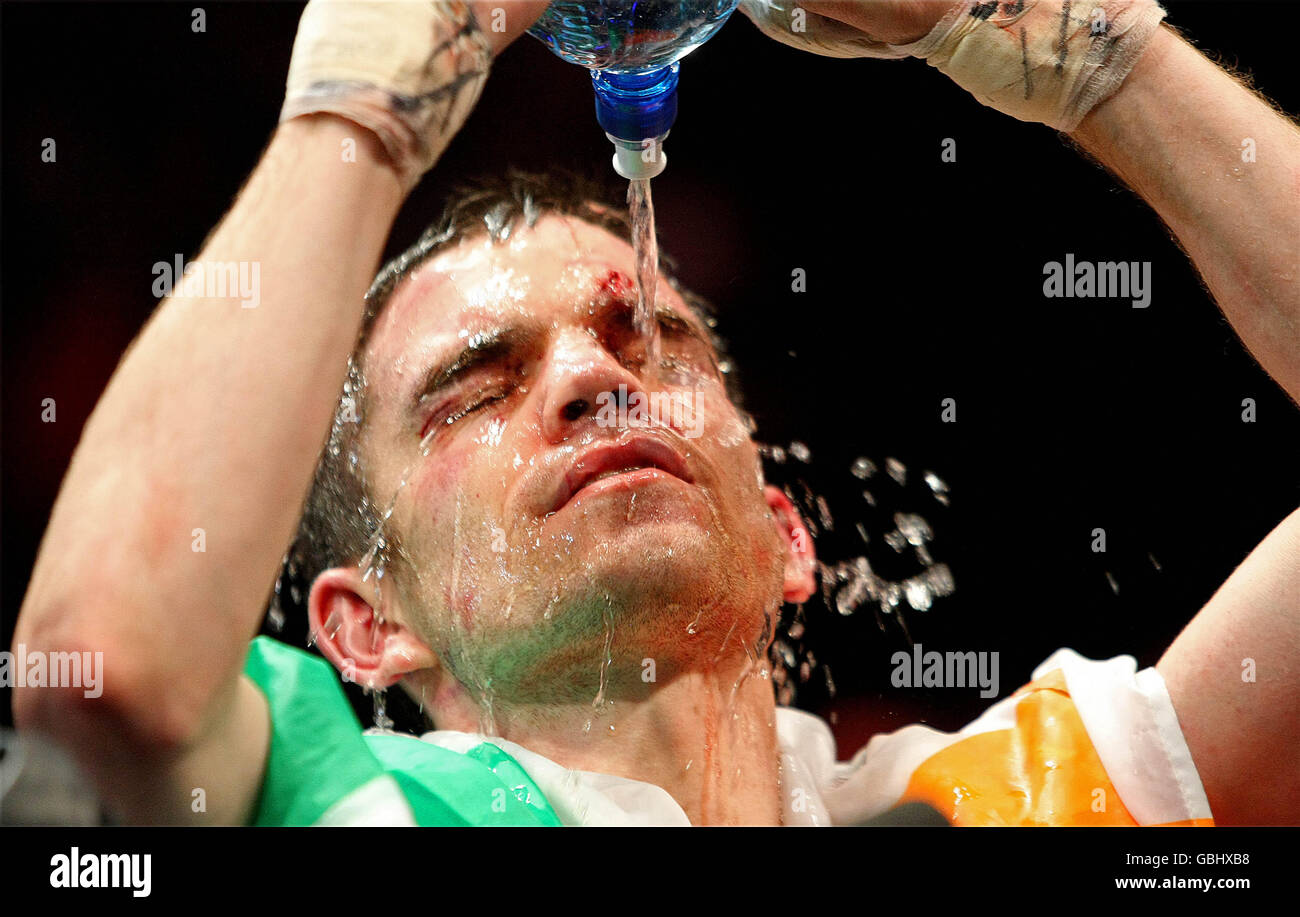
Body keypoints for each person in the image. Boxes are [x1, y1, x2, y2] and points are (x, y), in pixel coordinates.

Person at [12, 0, 1300, 826]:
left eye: (656, 339)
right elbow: (106, 673)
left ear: (789, 537)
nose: (593, 380)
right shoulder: (330, 796)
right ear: (367, 626)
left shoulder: (1020, 802)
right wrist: (359, 111)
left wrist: (1096, 54)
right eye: (477, 390)